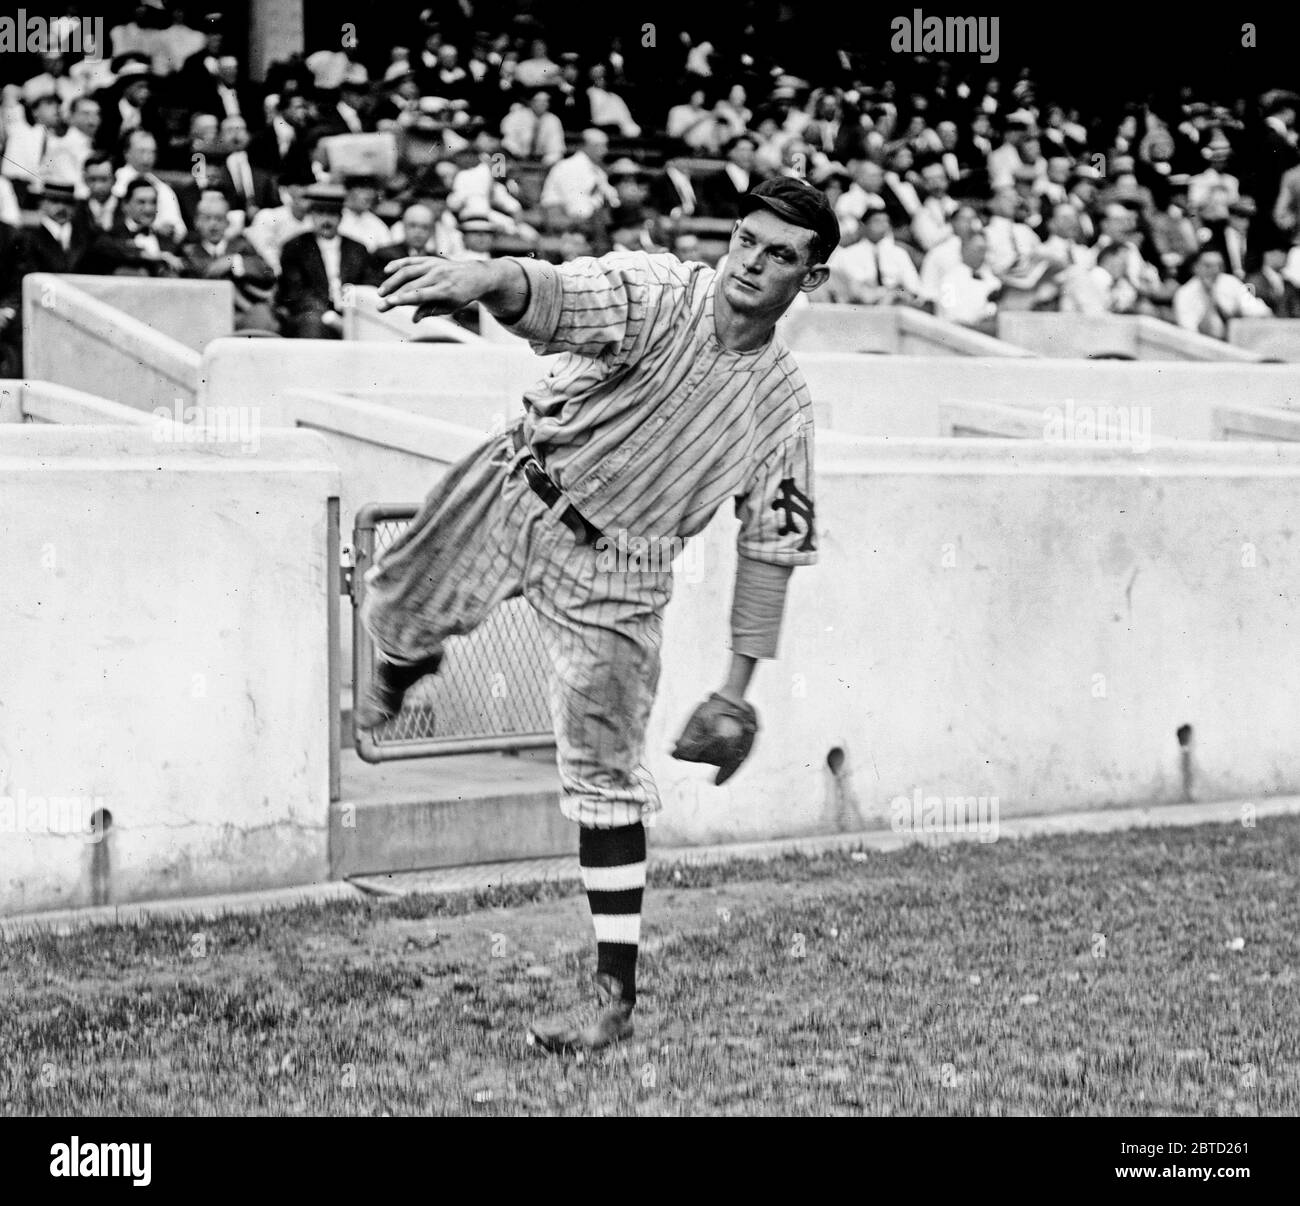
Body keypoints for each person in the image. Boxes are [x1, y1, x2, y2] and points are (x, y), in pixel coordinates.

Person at [356, 177, 835, 1054]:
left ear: (810, 282)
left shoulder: (785, 405)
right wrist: (484, 277)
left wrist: (737, 690)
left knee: (605, 777)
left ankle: (612, 994)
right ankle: (404, 663)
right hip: (520, 485)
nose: (751, 264)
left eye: (780, 257)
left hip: (623, 568)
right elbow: (557, 293)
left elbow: (771, 545)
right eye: (745, 240)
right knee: (393, 606)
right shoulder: (662, 293)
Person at [276, 182, 371, 337]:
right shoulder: (295, 247)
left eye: (332, 214)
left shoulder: (357, 249)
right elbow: (295, 292)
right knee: (312, 322)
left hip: (350, 313)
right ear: (311, 215)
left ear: (340, 217)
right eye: (320, 213)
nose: (326, 220)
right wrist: (328, 316)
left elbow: (366, 286)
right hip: (310, 313)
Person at [181, 190, 278, 333]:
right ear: (197, 222)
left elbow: (268, 273)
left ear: (227, 223)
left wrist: (234, 261)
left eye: (219, 219)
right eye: (207, 219)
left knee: (262, 318)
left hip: (240, 315)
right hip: (202, 315)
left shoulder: (241, 246)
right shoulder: (187, 250)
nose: (213, 225)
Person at [1173, 247, 1272, 338]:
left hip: (1234, 340)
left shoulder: (1231, 282)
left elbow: (1256, 308)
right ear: (1196, 268)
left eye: (1219, 266)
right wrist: (1209, 299)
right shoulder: (1184, 294)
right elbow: (1188, 330)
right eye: (1208, 266)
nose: (1215, 270)